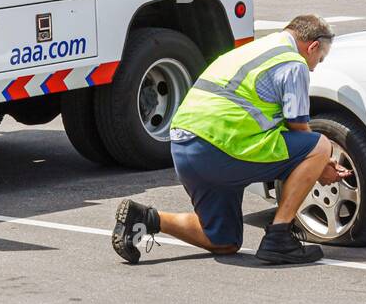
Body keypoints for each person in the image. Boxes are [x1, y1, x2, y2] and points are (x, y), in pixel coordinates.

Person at [112, 14, 349, 266]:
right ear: (312, 46)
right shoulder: (293, 63)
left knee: (224, 241)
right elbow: (299, 127)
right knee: (319, 145)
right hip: (221, 148)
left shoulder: (254, 49)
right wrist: (322, 165)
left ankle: (146, 218)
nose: (315, 66)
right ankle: (279, 237)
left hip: (185, 147)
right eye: (318, 59)